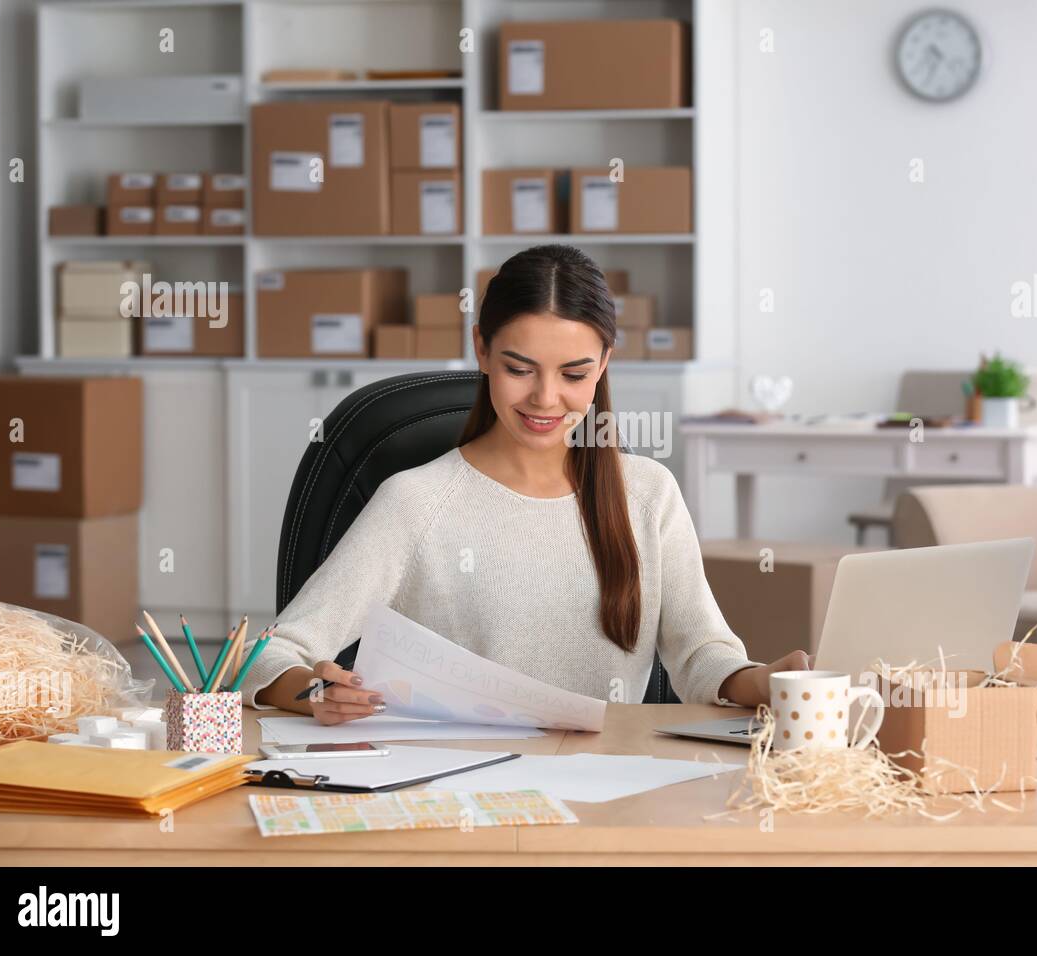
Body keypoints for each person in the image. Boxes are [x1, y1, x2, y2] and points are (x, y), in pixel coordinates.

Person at [248, 244, 810, 723]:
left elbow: (701, 657)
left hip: (605, 795)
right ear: (482, 350)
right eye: (520, 369)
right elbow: (270, 654)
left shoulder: (647, 494)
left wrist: (761, 682)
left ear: (604, 363)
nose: (545, 399)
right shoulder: (415, 502)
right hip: (453, 796)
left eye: (574, 374)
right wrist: (315, 692)